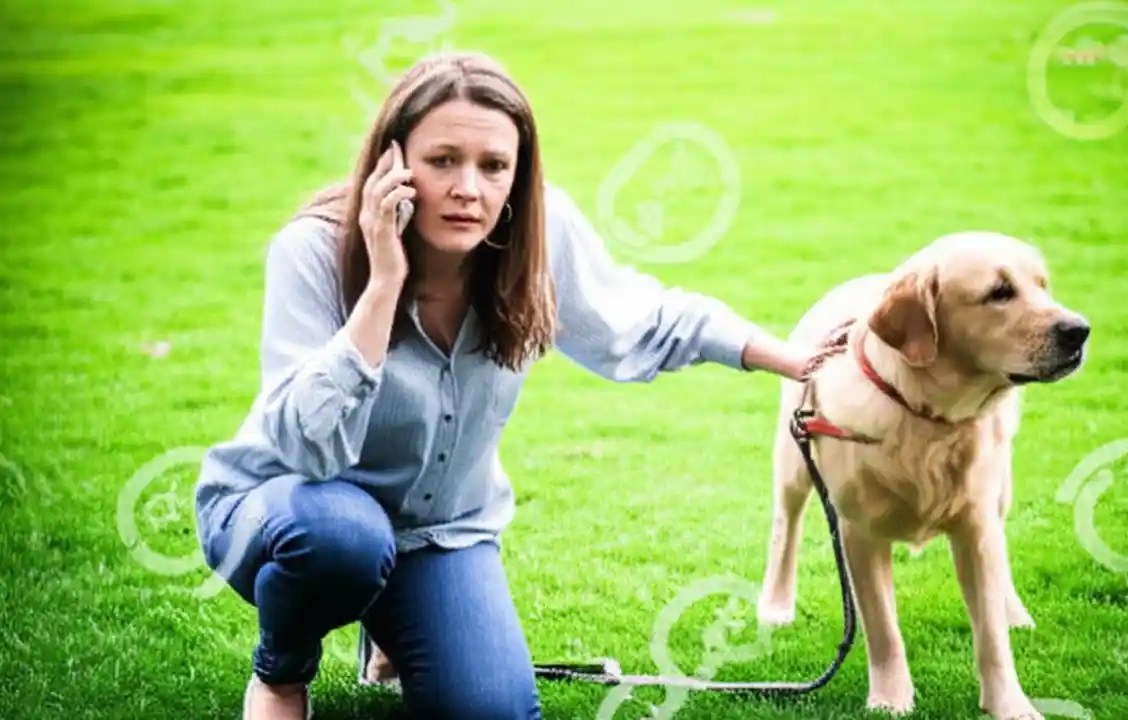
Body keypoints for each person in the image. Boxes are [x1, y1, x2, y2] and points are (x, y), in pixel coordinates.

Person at [194, 50, 819, 720]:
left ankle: (394, 623)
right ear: (392, 162)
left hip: (440, 533)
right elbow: (303, 445)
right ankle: (281, 673)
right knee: (345, 540)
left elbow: (642, 320)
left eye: (494, 166)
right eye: (443, 161)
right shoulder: (312, 252)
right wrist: (381, 288)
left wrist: (793, 360)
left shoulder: (534, 236)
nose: (470, 187)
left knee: (490, 710)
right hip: (287, 510)